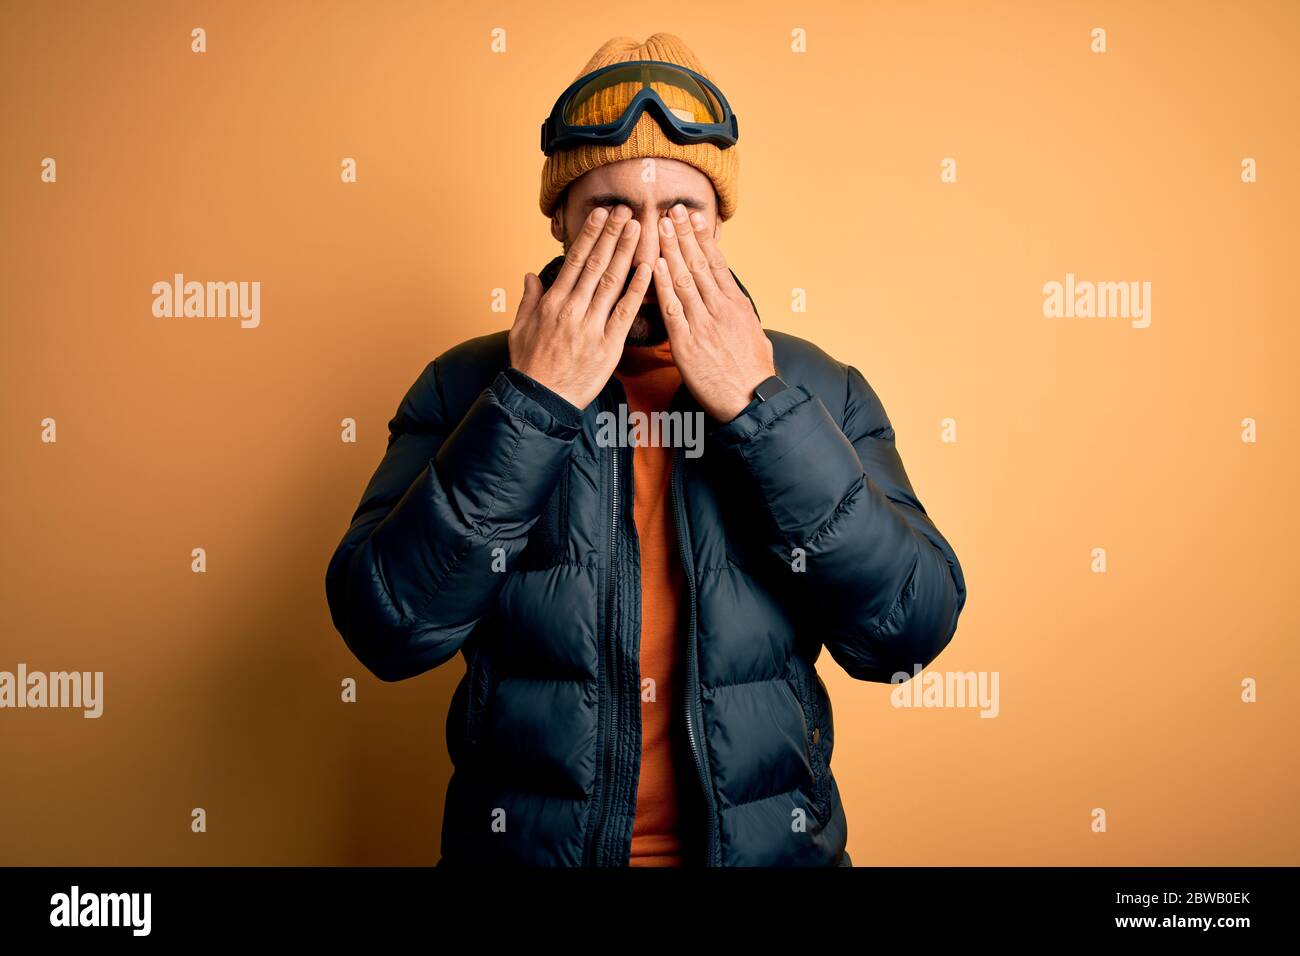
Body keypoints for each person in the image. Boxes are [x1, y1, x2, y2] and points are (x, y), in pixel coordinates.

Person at [324, 32, 967, 867]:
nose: (649, 242)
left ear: (718, 221)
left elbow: (908, 635)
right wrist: (533, 403)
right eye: (612, 210)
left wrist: (758, 408)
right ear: (559, 216)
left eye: (680, 212)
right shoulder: (465, 386)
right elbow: (387, 631)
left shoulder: (819, 385)